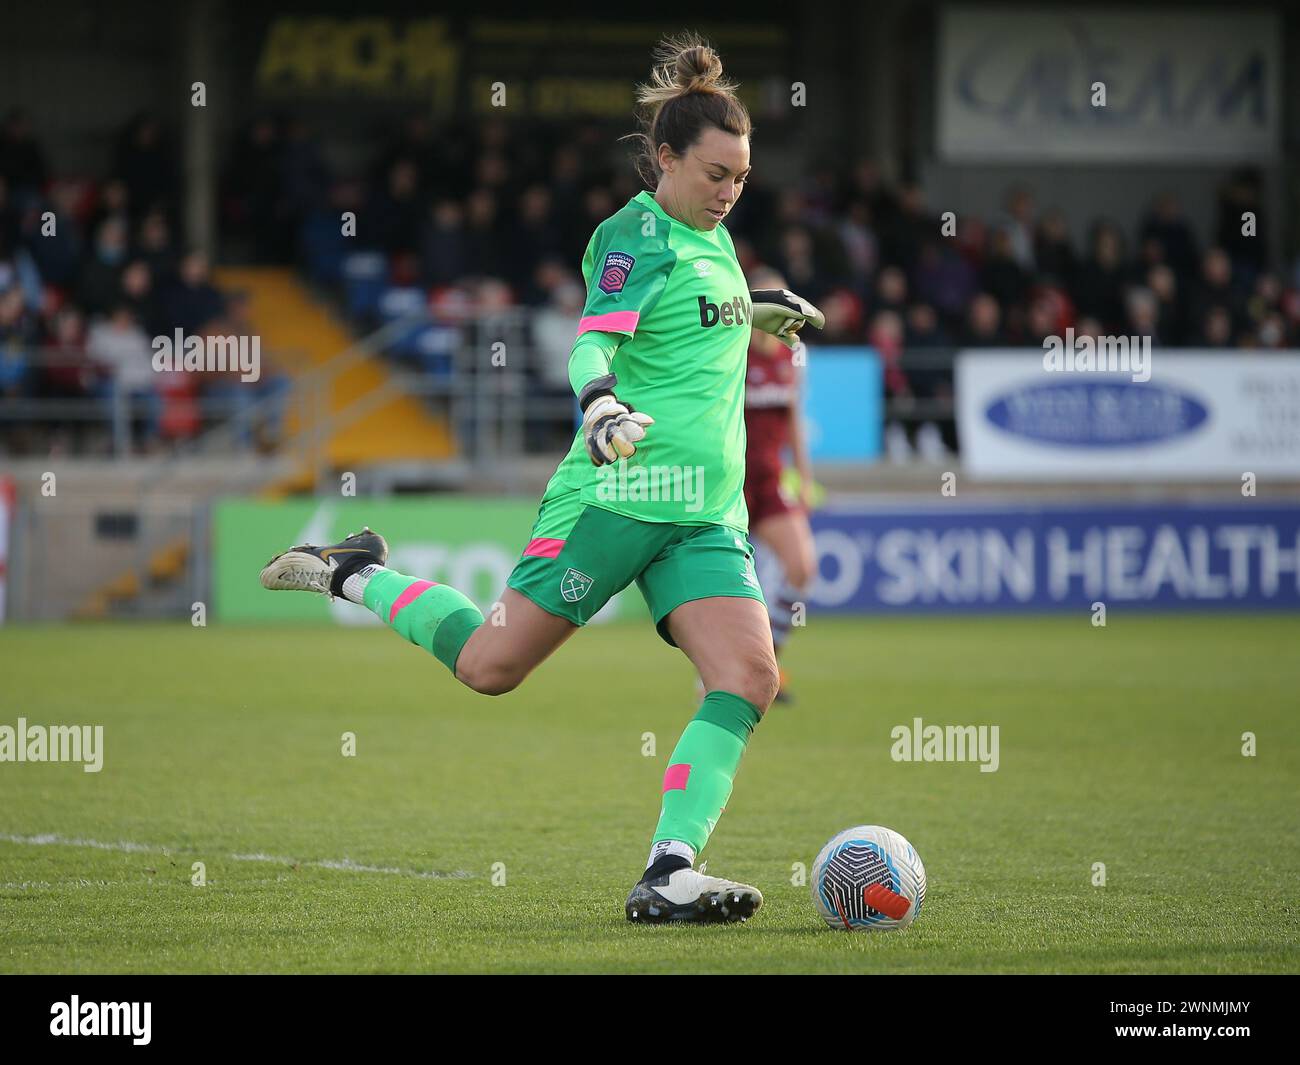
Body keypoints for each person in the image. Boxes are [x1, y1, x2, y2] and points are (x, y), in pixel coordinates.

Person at [259, 34, 824, 924]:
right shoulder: (633, 235)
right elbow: (596, 337)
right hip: (616, 498)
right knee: (491, 667)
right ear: (667, 159)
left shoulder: (716, 242)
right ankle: (352, 569)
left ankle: (669, 869)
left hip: (704, 515)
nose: (730, 192)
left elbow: (692, 313)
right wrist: (599, 403)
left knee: (750, 678)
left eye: (742, 178)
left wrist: (757, 309)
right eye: (716, 174)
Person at [738, 266, 817, 704]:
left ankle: (769, 663)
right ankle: (716, 677)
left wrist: (804, 477)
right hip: (730, 481)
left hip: (769, 479)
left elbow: (793, 419)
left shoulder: (791, 356)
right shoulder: (729, 351)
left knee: (802, 566)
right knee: (726, 587)